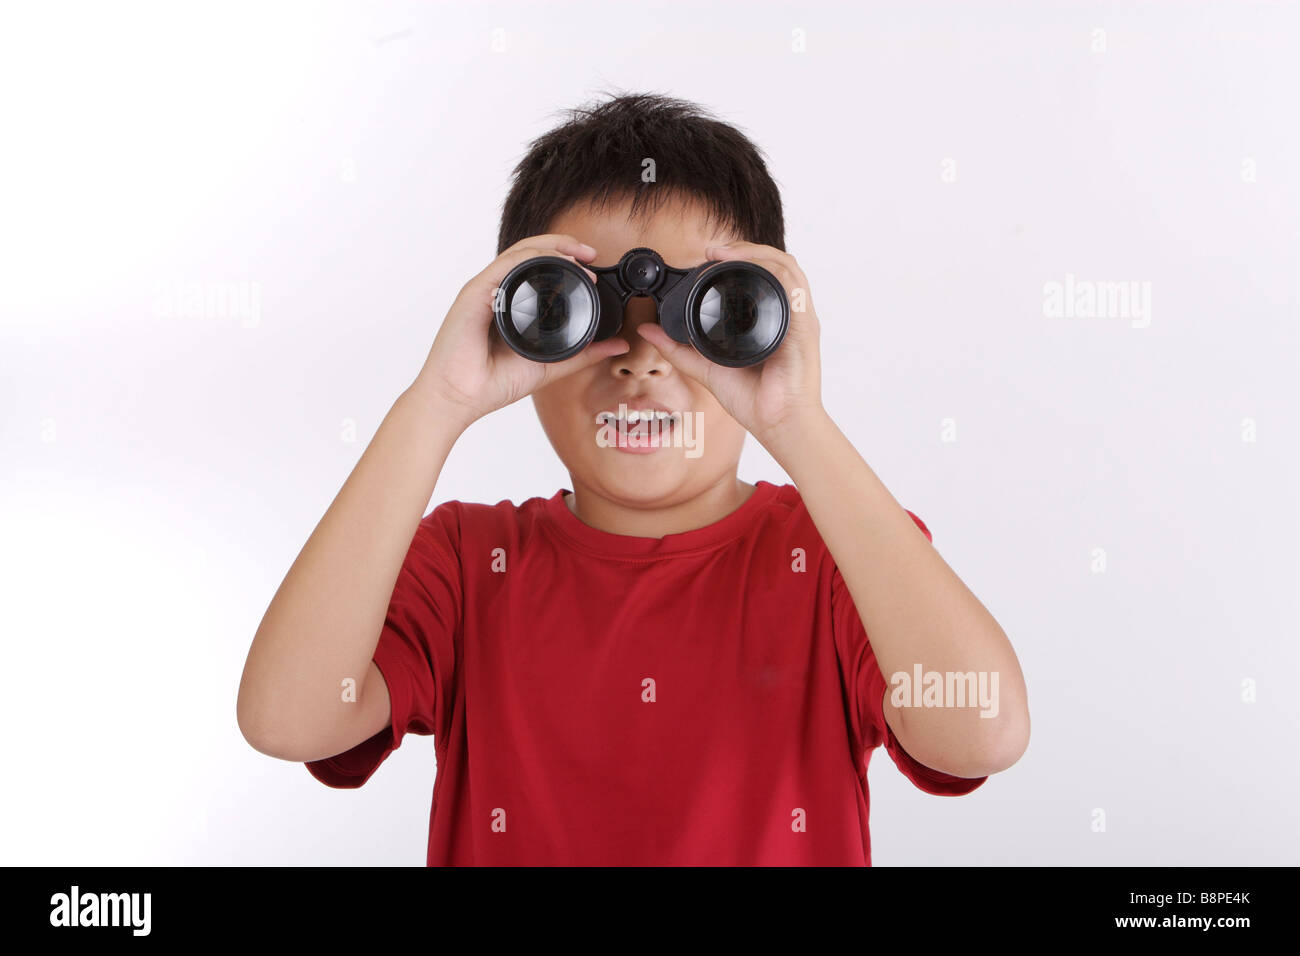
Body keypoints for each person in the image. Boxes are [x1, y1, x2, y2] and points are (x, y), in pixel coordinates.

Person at [237, 92, 1030, 865]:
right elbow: (288, 719)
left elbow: (982, 732)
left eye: (705, 314)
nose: (644, 355)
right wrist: (436, 403)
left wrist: (798, 423)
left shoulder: (830, 556)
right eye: (577, 310)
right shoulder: (467, 564)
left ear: (763, 323)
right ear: (517, 330)